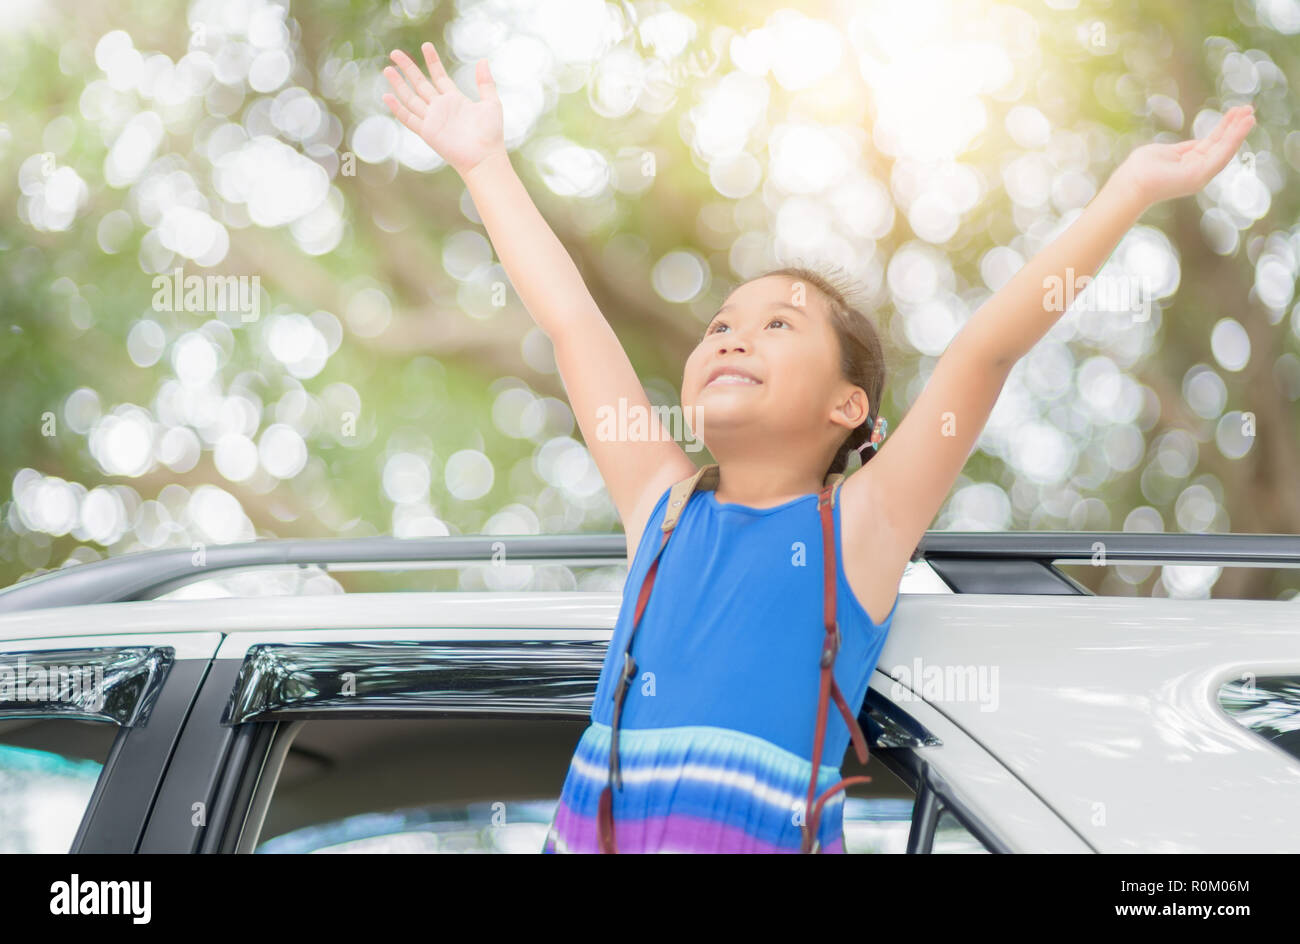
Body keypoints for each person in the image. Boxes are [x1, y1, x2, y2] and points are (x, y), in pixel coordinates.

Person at [382, 42, 1255, 853]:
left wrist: (1128, 193)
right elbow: (571, 323)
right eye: (720, 324)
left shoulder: (861, 529)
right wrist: (482, 162)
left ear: (849, 405)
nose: (730, 336)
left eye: (775, 325)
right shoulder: (663, 506)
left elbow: (985, 350)